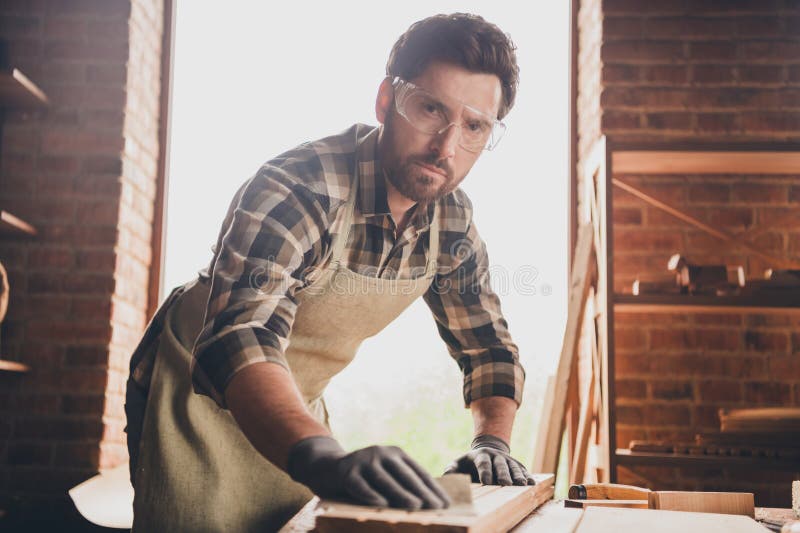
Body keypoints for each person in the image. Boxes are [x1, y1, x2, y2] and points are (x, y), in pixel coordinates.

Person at [125, 12, 534, 532]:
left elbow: (489, 349)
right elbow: (241, 338)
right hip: (188, 403)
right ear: (387, 100)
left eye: (474, 126)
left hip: (293, 408)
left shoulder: (451, 220)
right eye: (431, 109)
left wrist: (490, 443)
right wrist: (324, 460)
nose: (446, 146)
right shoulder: (299, 187)